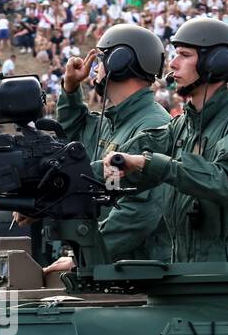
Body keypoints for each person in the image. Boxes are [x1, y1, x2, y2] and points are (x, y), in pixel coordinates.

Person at [104, 17, 228, 270]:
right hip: (184, 269)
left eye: (184, 55)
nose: (172, 64)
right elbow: (128, 158)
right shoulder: (182, 125)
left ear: (216, 64)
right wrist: (77, 181)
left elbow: (225, 181)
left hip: (226, 275)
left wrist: (151, 164)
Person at [44, 23, 172, 271]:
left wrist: (83, 257)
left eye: (102, 59)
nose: (95, 67)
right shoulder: (113, 120)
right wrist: (71, 89)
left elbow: (138, 212)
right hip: (115, 267)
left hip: (141, 272)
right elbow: (73, 144)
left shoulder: (153, 127)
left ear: (120, 63)